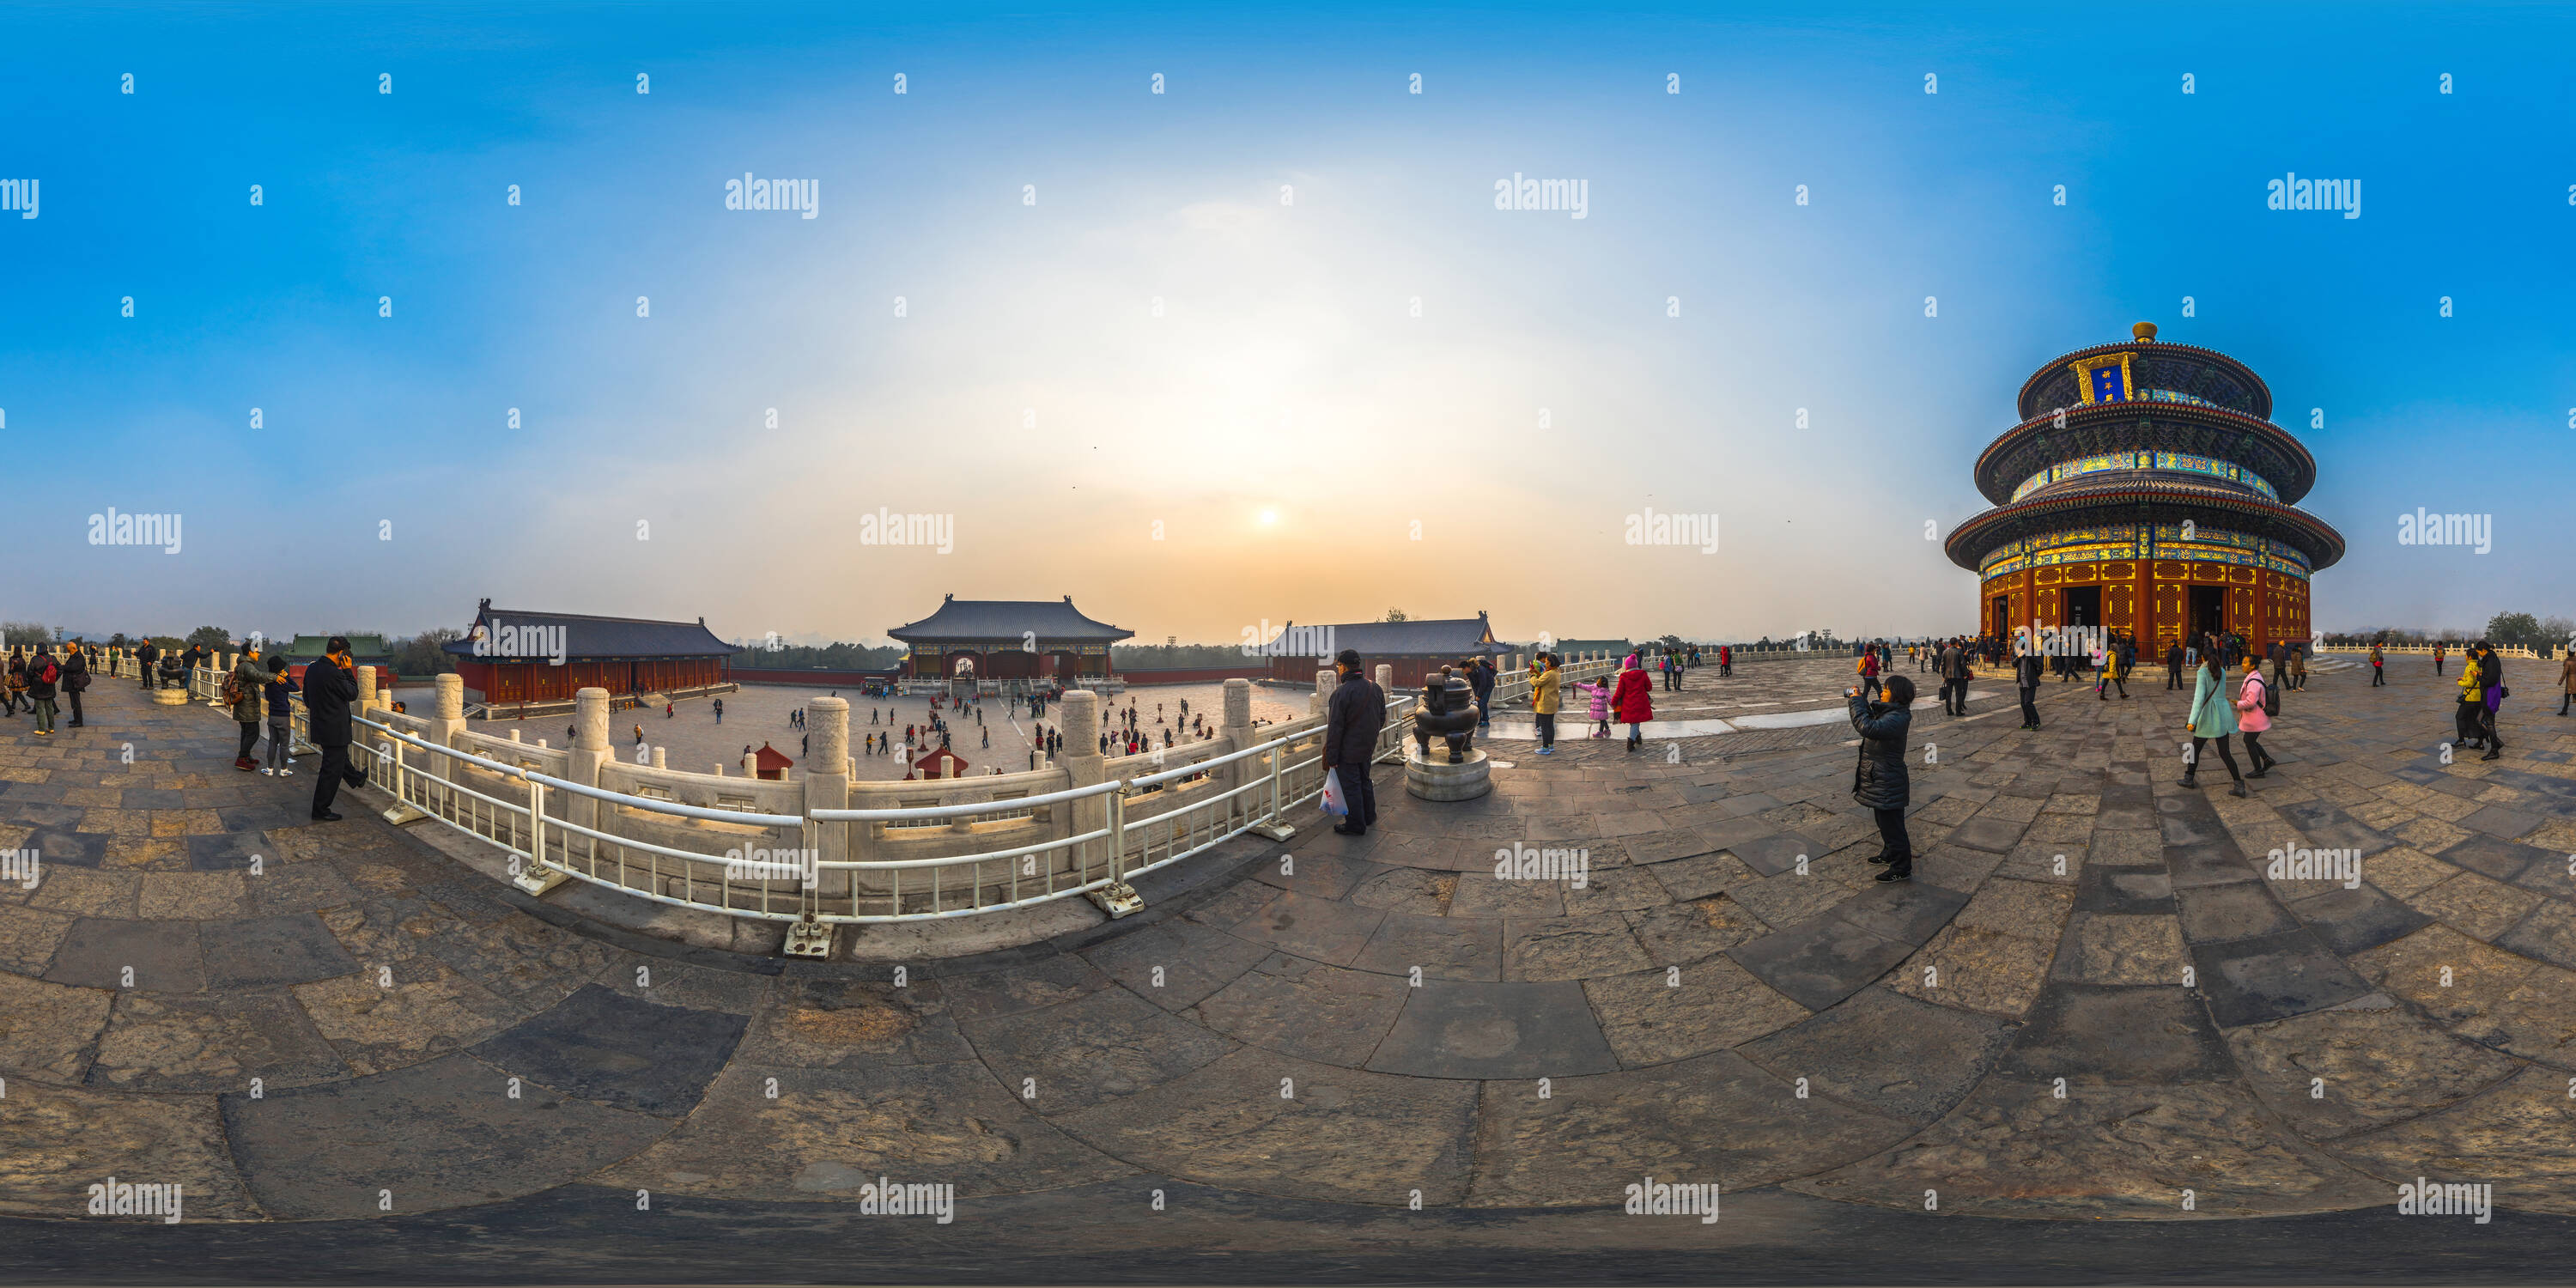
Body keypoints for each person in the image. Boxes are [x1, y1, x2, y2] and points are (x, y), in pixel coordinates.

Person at [1847, 673, 1917, 883]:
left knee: (1893, 826)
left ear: (1896, 695)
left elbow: (1868, 727)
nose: (1882, 692)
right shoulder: (1891, 713)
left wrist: (1857, 701)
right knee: (1883, 821)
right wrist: (1865, 703)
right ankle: (1889, 853)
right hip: (1880, 777)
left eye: (1886, 690)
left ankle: (1901, 867)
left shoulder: (1898, 718)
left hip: (1889, 780)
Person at [1321, 648, 1385, 835]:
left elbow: (1335, 729)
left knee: (1351, 787)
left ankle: (1356, 825)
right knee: (1365, 780)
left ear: (1344, 667)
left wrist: (1331, 757)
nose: (1338, 669)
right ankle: (1369, 816)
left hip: (1347, 751)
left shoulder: (1340, 693)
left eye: (1338, 665)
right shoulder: (1375, 688)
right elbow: (1381, 717)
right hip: (1367, 747)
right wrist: (1369, 737)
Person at [303, 637, 368, 821]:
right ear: (341, 653)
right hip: (335, 729)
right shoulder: (335, 673)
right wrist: (348, 670)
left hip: (321, 727)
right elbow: (353, 693)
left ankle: (356, 778)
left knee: (338, 759)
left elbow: (307, 699)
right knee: (330, 771)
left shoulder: (312, 668)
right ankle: (320, 809)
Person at [2182, 649, 2248, 797]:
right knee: (2225, 753)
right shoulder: (2222, 671)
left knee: (2194, 749)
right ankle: (2239, 784)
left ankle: (2188, 778)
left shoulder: (2202, 673)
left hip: (2207, 715)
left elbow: (2199, 699)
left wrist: (2192, 721)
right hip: (2222, 714)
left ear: (2202, 658)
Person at [228, 644, 278, 770]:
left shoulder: (242, 664)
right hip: (248, 705)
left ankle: (246, 756)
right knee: (254, 733)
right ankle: (241, 759)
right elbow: (258, 676)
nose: (258, 654)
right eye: (256, 652)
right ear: (250, 653)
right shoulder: (247, 666)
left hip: (244, 704)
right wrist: (275, 676)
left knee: (246, 732)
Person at [2235, 657, 2276, 778]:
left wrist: (2238, 704)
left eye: (2245, 662)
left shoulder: (2253, 681)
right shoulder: (2255, 676)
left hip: (2256, 718)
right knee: (2250, 740)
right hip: (2257, 717)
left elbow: (2251, 702)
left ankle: (2258, 770)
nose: (2242, 665)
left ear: (2252, 666)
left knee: (2249, 741)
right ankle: (2267, 760)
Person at [1611, 653, 1655, 751]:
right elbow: (1649, 688)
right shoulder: (1643, 674)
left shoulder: (1623, 677)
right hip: (1641, 703)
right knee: (1635, 722)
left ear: (1627, 666)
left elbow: (1619, 692)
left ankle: (1630, 743)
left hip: (1629, 704)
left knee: (1634, 722)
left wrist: (1613, 702)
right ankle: (1637, 737)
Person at [264, 664, 300, 775]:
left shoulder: (268, 684)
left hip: (272, 715)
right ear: (280, 671)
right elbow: (296, 688)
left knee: (272, 742)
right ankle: (284, 770)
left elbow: (267, 698)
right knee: (284, 744)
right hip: (283, 716)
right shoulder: (282, 682)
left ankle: (269, 769)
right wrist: (287, 677)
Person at [2474, 641, 2505, 761]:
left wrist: (2478, 676)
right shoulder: (2491, 658)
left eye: (2479, 653)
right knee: (2479, 720)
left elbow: (2488, 681)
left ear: (2483, 650)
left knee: (2490, 723)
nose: (2479, 655)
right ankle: (2496, 742)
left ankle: (2494, 750)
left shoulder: (2491, 662)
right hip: (2490, 695)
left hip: (2490, 696)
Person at [2455, 647, 2488, 750]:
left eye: (2466, 655)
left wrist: (2460, 683)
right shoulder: (2480, 666)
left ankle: (2461, 740)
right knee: (2478, 719)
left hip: (2470, 698)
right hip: (2480, 696)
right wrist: (2464, 678)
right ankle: (2480, 742)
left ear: (2469, 656)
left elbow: (2469, 683)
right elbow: (2478, 680)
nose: (2465, 657)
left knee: (2459, 716)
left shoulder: (2469, 667)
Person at [1530, 653, 1562, 756]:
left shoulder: (1549, 673)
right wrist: (1537, 673)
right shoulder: (1555, 672)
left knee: (1544, 726)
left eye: (1547, 662)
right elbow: (1544, 680)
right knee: (1550, 725)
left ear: (1551, 663)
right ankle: (1550, 745)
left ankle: (1545, 748)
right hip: (1552, 702)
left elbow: (1537, 683)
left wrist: (1531, 676)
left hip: (1545, 702)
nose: (1545, 663)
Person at [25, 647, 59, 736]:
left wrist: (31, 682)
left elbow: (29, 673)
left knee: (40, 707)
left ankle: (41, 729)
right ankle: (51, 728)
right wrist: (54, 678)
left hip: (38, 685)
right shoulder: (53, 658)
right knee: (49, 707)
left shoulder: (35, 659)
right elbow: (60, 669)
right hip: (50, 685)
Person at [60, 645, 88, 727]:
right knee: (73, 702)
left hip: (75, 683)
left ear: (74, 648)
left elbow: (74, 667)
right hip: (71, 682)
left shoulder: (79, 656)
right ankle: (76, 719)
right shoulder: (74, 656)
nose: (68, 651)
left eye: (69, 650)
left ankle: (79, 721)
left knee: (76, 702)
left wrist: (64, 667)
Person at [2015, 643, 2043, 729]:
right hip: (2022, 684)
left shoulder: (2033, 655)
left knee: (2028, 702)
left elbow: (2040, 664)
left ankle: (2036, 721)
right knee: (2023, 703)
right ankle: (2027, 721)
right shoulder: (2020, 657)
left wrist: (2036, 675)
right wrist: (2018, 657)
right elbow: (2013, 664)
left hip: (2031, 683)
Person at [1468, 655, 1497, 731]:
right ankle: (1479, 720)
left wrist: (1479, 695)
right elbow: (1474, 685)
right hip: (1481, 687)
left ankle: (1485, 720)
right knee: (1477, 703)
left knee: (1483, 703)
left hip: (1488, 686)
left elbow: (1483, 684)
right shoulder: (1472, 672)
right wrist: (1477, 695)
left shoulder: (1481, 670)